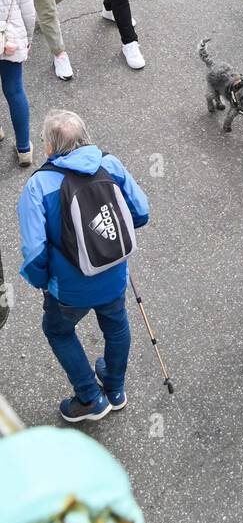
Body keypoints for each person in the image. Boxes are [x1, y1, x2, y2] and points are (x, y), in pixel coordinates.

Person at [16, 109, 150, 422]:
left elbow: (35, 254)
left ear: (49, 147)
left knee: (58, 330)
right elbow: (141, 212)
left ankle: (90, 397)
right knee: (116, 324)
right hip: (114, 273)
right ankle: (115, 388)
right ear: (85, 138)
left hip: (68, 289)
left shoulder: (38, 187)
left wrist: (44, 283)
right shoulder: (110, 164)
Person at [0, 0, 36, 164]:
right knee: (15, 91)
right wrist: (29, 38)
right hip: (11, 41)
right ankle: (24, 149)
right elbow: (28, 10)